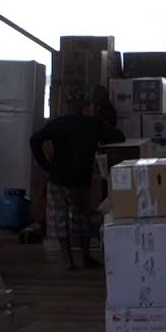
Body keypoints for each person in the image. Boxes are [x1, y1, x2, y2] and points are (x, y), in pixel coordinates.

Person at [30, 89, 125, 270]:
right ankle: (86, 257)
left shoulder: (58, 123)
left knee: (60, 221)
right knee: (81, 220)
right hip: (80, 181)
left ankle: (68, 261)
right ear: (86, 106)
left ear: (67, 105)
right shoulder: (92, 124)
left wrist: (45, 166)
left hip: (57, 178)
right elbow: (119, 136)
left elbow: (34, 140)